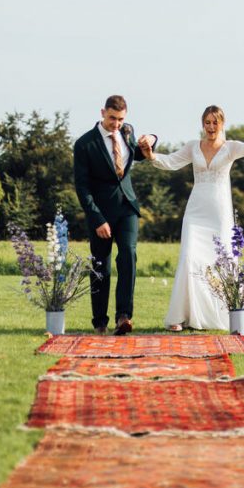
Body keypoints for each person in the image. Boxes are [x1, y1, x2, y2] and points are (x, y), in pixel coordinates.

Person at [139, 106, 244, 332]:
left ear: (222, 124)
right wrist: (151, 156)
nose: (211, 127)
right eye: (207, 122)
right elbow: (171, 162)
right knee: (189, 257)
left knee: (220, 263)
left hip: (219, 212)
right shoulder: (193, 147)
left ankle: (225, 312)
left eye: (215, 123)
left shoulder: (231, 147)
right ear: (202, 124)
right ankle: (180, 316)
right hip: (195, 212)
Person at [73, 95, 157, 335]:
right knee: (101, 265)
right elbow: (82, 186)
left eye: (120, 119)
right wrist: (97, 218)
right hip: (100, 213)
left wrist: (153, 138)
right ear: (102, 113)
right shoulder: (84, 144)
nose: (116, 124)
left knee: (129, 256)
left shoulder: (127, 133)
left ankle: (124, 317)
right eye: (112, 118)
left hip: (127, 207)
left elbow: (142, 152)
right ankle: (100, 320)